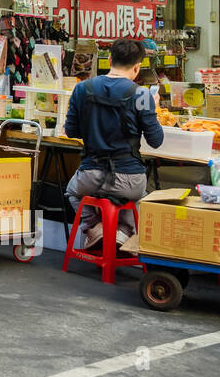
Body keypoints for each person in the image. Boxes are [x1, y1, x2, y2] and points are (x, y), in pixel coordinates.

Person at [63, 38, 165, 250]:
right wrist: (152, 110)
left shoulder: (82, 89)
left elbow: (71, 131)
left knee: (72, 192)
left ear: (110, 59)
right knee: (138, 200)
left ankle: (94, 227)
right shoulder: (142, 95)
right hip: (130, 180)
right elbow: (156, 141)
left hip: (90, 175)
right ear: (137, 67)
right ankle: (124, 234)